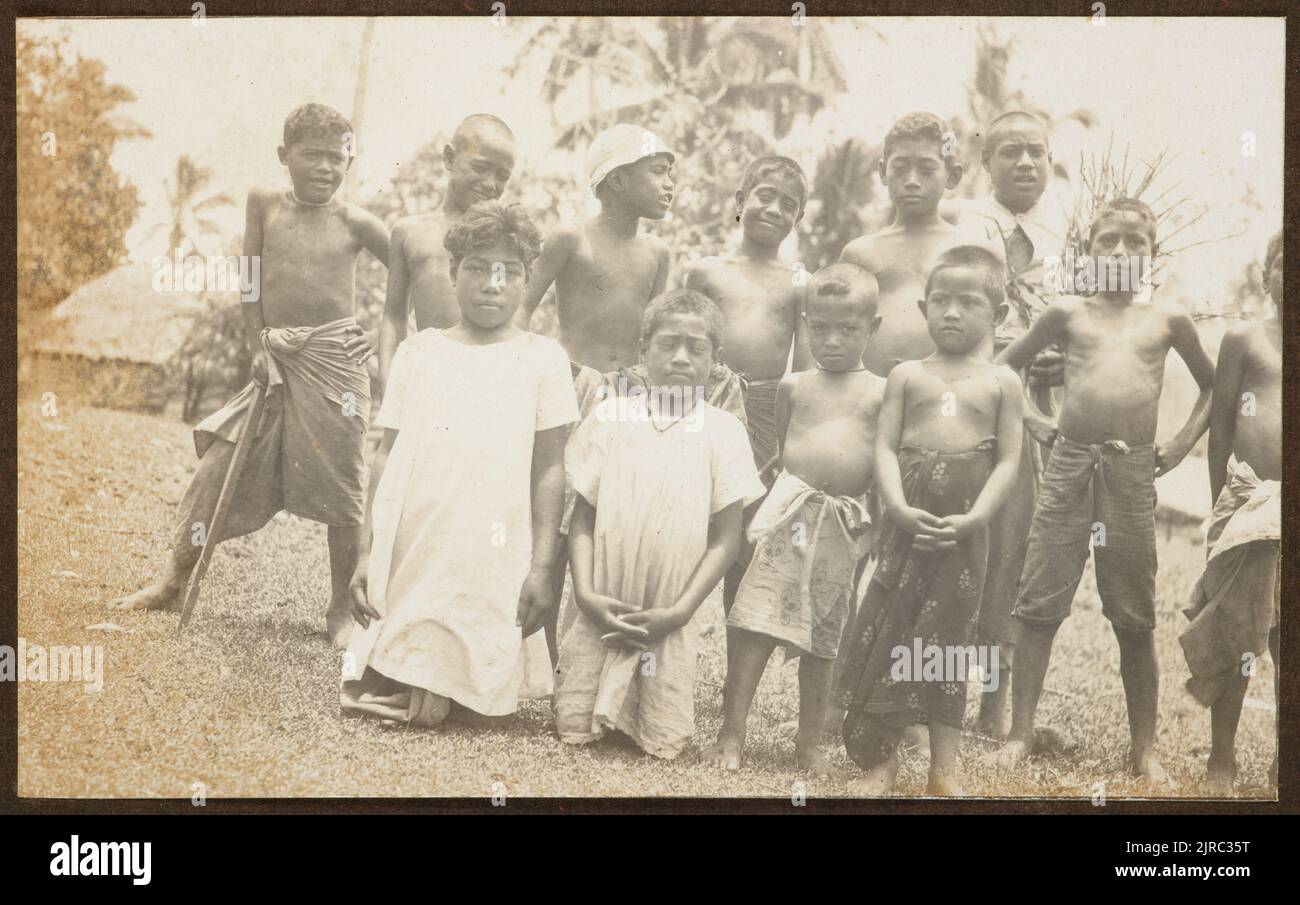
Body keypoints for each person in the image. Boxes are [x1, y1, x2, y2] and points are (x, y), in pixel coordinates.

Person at [111, 103, 388, 650]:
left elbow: (414, 265)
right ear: (284, 156)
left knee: (345, 486)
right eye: (314, 155)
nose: (327, 169)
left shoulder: (357, 221)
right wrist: (254, 344)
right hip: (273, 358)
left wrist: (380, 334)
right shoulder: (263, 203)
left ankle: (338, 610)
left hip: (336, 365)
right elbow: (251, 278)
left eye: (339, 158)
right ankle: (172, 579)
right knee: (219, 463)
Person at [992, 199, 1216, 782]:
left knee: (1134, 615)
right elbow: (1003, 366)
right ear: (1088, 253)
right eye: (1107, 241)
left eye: (1134, 241)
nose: (1119, 251)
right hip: (1068, 463)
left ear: (1152, 253)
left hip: (1131, 469)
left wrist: (1182, 442)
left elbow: (1216, 388)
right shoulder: (1068, 314)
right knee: (1039, 603)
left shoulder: (1169, 320)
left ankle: (1143, 749)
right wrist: (1034, 421)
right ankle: (1019, 734)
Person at [341, 202, 575, 726]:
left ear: (527, 279)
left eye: (508, 272)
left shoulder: (543, 359)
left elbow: (549, 468)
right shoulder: (419, 353)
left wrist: (541, 566)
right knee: (403, 652)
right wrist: (365, 552)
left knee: (482, 702)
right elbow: (384, 454)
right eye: (476, 268)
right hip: (418, 537)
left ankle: (454, 690)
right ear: (452, 274)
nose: (491, 284)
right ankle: (409, 682)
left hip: (497, 543)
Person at [836, 245, 1024, 796]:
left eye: (968, 302)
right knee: (890, 633)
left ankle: (945, 770)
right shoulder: (906, 376)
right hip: (905, 527)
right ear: (922, 308)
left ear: (999, 314)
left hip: (965, 537)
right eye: (940, 300)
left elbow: (1009, 460)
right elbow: (886, 448)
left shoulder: (1001, 383)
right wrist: (894, 505)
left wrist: (976, 520)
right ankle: (882, 763)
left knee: (947, 646)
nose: (952, 312)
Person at [553, 289, 765, 759]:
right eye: (668, 344)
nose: (681, 358)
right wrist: (586, 594)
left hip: (669, 611)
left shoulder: (723, 430)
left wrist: (680, 612)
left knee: (662, 737)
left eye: (697, 348)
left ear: (716, 361)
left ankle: (653, 709)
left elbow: (728, 539)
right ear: (642, 349)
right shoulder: (610, 417)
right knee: (574, 724)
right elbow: (581, 518)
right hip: (601, 601)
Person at [707, 263, 884, 778]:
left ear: (872, 329)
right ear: (806, 324)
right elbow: (784, 456)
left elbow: (882, 464)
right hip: (789, 516)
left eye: (848, 329)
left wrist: (875, 530)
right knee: (754, 624)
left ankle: (809, 745)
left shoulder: (882, 390)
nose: (832, 340)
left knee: (825, 637)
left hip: (845, 523)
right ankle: (731, 731)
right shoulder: (794, 385)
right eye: (821, 327)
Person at [1179, 229, 1282, 792]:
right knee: (1238, 631)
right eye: (1283, 263)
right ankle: (1222, 756)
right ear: (1265, 275)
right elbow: (1220, 431)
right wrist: (1221, 507)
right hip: (1247, 502)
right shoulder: (1243, 339)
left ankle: (1281, 759)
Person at [839, 111, 1003, 377]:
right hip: (871, 396)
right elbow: (840, 328)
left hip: (946, 395)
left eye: (926, 170)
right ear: (882, 171)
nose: (912, 181)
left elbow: (985, 340)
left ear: (952, 175)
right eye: (900, 168)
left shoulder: (973, 250)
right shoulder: (860, 252)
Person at [377, 114, 517, 386]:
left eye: (502, 176)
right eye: (480, 167)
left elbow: (509, 311)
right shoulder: (410, 232)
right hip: (429, 373)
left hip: (490, 374)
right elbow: (394, 317)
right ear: (450, 158)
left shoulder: (505, 238)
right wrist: (388, 381)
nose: (490, 184)